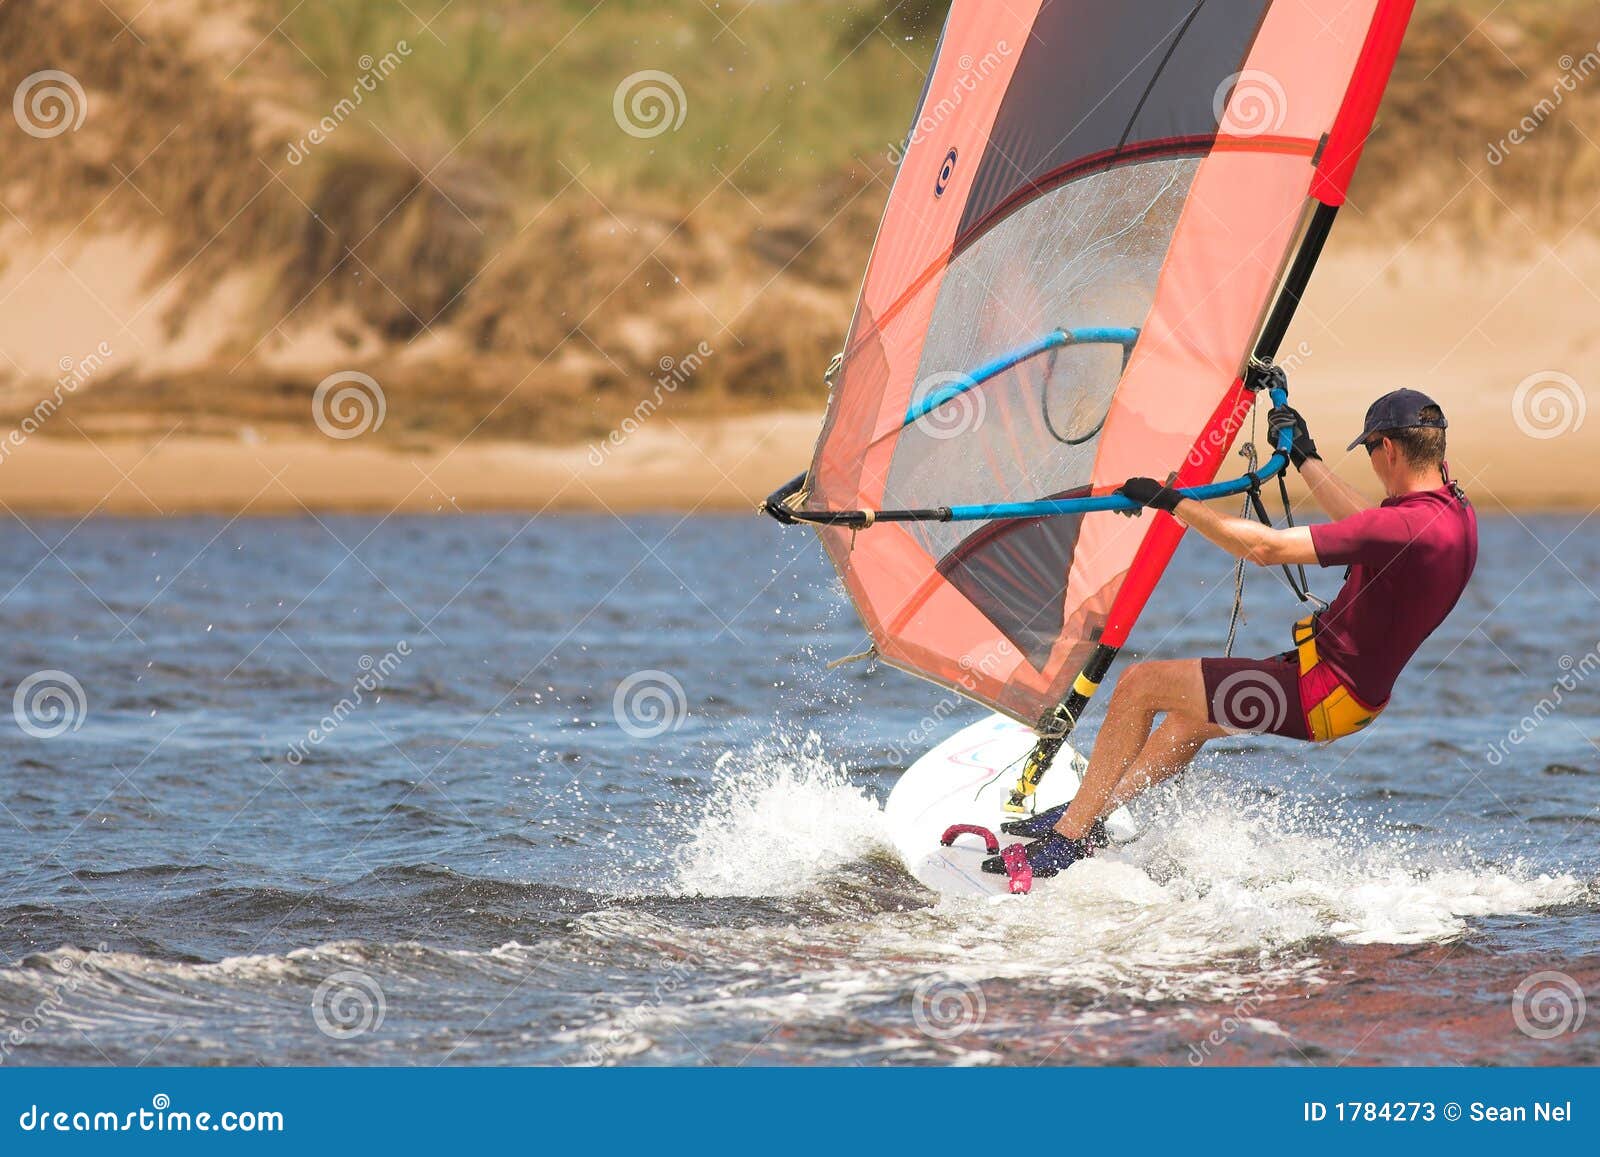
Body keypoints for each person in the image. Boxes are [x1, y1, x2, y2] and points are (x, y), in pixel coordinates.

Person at [983, 368, 1478, 879]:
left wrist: (1172, 502)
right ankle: (1092, 816)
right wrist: (1306, 458)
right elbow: (1367, 521)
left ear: (1388, 451)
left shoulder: (1403, 527)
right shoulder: (1452, 512)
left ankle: (1064, 844)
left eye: (1371, 453)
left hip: (1321, 691)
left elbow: (1263, 548)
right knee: (1188, 719)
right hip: (1344, 691)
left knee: (1139, 686)